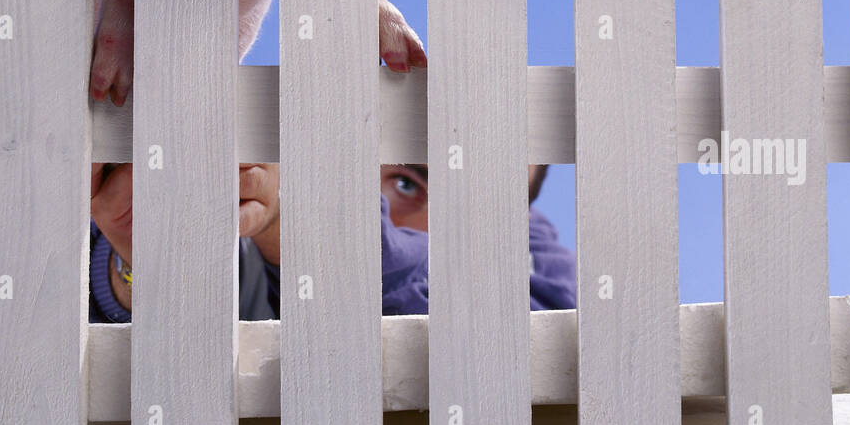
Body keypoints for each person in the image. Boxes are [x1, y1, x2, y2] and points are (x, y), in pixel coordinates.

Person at [89, 161, 576, 322]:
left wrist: (304, 218)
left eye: (409, 184)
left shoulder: (525, 273)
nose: (371, 182)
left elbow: (538, 314)